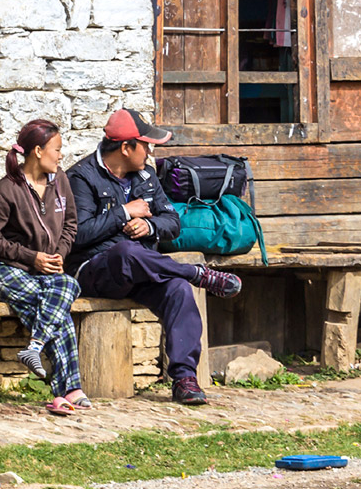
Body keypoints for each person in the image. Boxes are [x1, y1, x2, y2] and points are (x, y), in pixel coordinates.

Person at [65, 109, 243, 406]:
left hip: (142, 269)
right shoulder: (80, 177)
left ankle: (184, 379)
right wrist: (124, 213)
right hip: (95, 271)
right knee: (126, 251)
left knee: (178, 290)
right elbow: (78, 234)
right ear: (126, 147)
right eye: (146, 145)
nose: (150, 152)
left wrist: (149, 226)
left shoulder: (147, 176)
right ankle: (195, 273)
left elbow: (173, 222)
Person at [0, 119, 91, 415]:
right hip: (6, 269)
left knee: (67, 285)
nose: (61, 155)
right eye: (57, 149)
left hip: (46, 270)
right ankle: (69, 389)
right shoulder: (6, 190)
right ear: (38, 151)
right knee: (59, 308)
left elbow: (70, 224)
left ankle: (35, 348)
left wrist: (58, 255)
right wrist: (33, 257)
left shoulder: (60, 180)